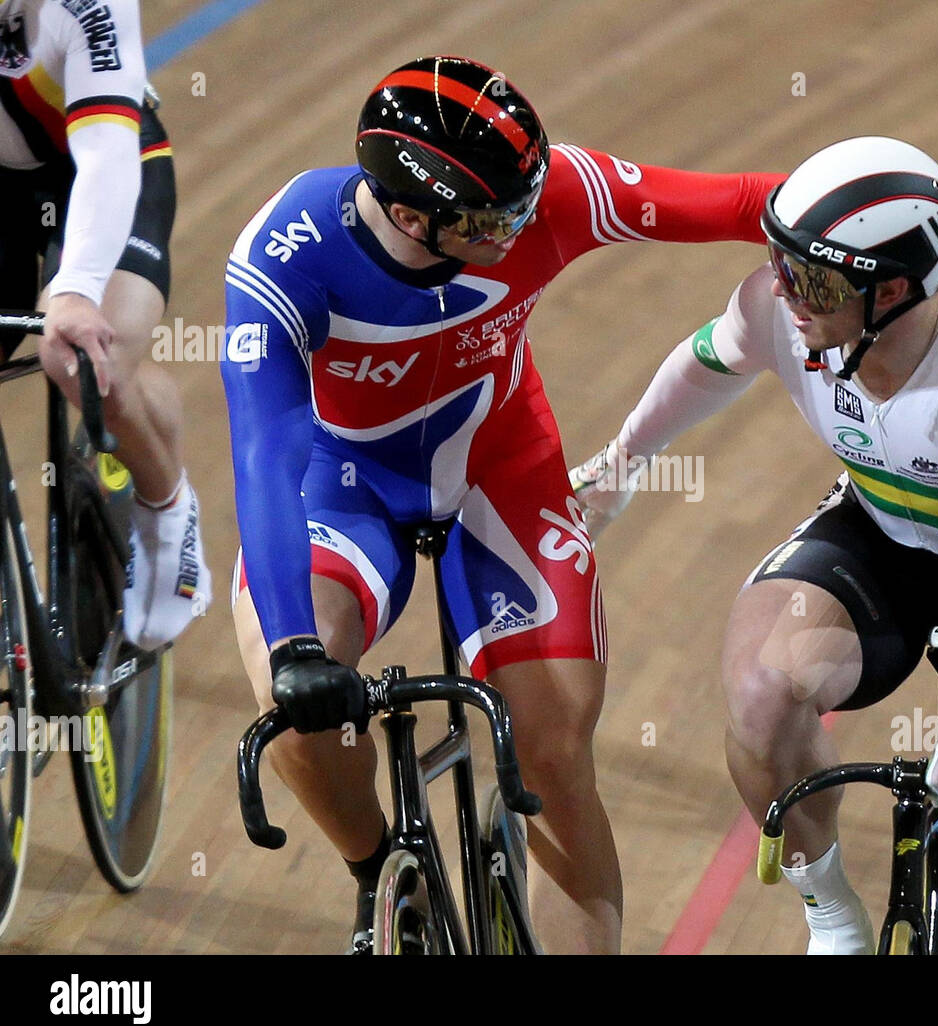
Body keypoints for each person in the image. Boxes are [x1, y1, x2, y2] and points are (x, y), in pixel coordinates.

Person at [219, 55, 789, 954]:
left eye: (528, 202)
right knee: (295, 713)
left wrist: (899, 227)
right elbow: (262, 460)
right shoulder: (285, 260)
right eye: (497, 222)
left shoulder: (540, 191)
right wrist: (294, 649)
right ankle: (380, 872)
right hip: (343, 482)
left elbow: (746, 200)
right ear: (413, 216)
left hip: (501, 468)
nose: (527, 225)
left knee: (553, 752)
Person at [572, 137, 938, 954]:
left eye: (807, 279)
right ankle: (833, 919)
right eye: (780, 265)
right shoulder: (782, 309)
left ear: (891, 290)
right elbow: (707, 362)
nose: (782, 294)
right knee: (760, 694)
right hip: (880, 535)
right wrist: (623, 463)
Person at [0, 0, 211, 648]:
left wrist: (74, 291)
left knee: (87, 363)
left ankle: (167, 510)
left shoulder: (84, 5)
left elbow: (106, 156)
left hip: (107, 164)